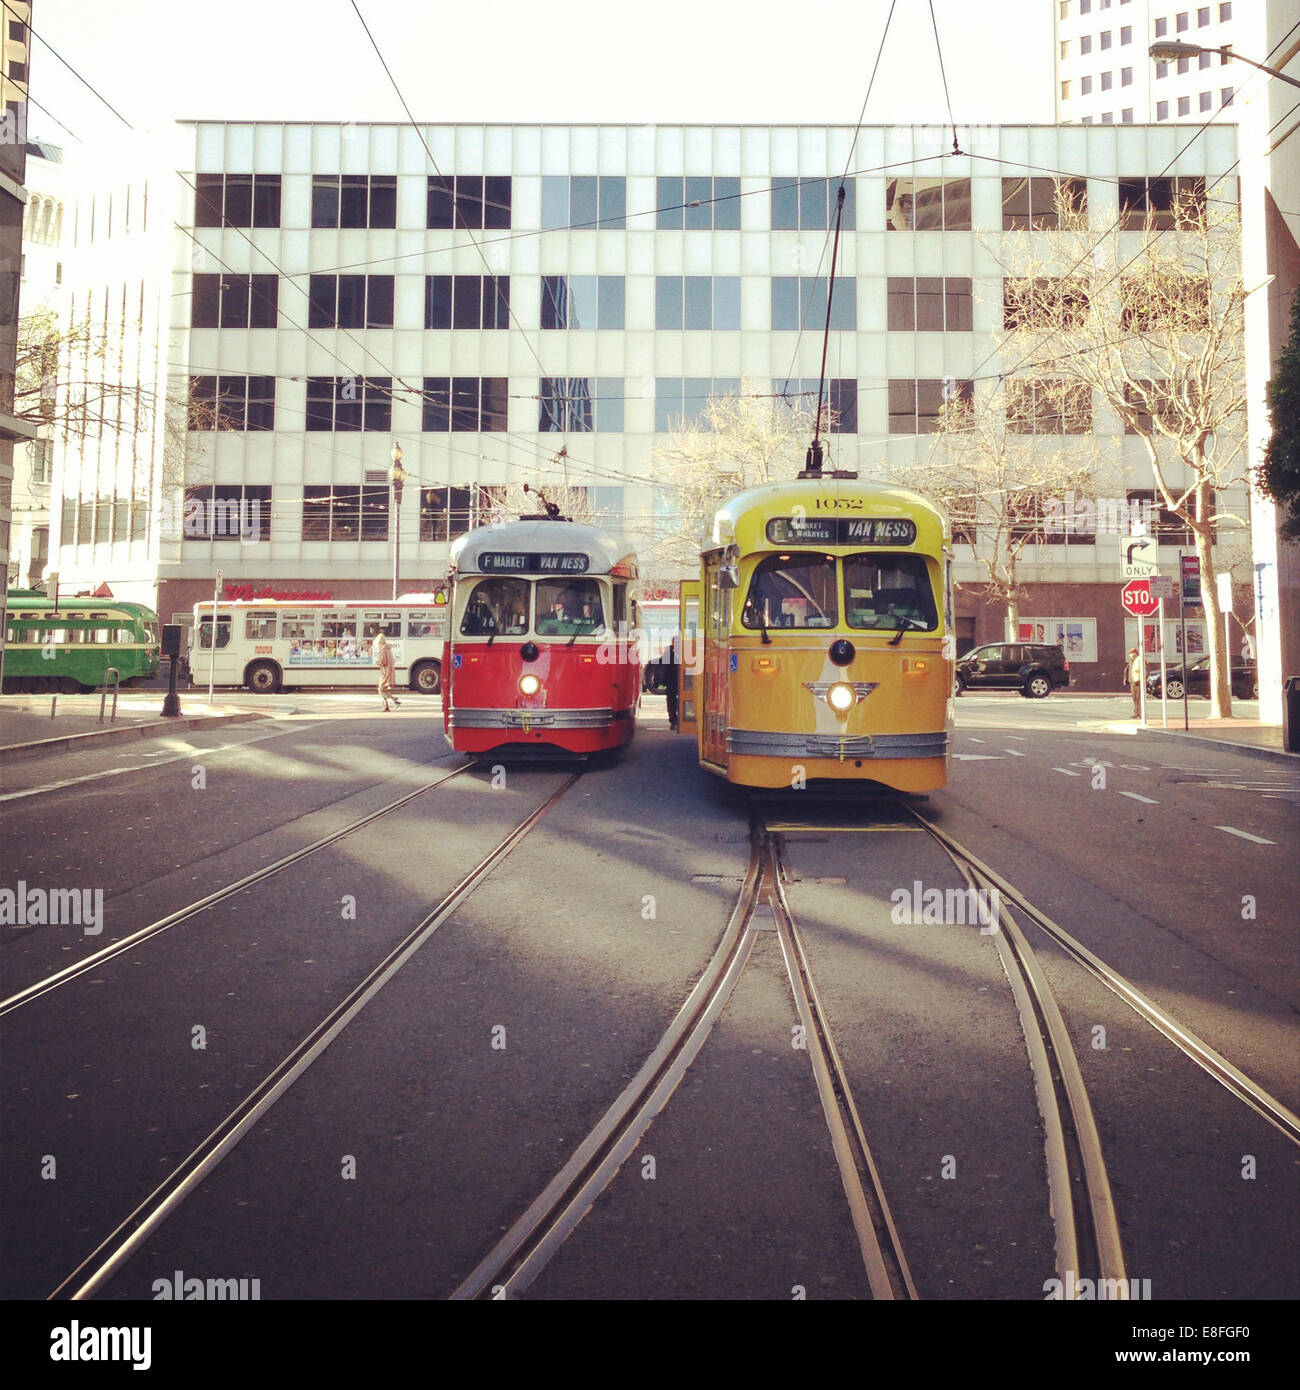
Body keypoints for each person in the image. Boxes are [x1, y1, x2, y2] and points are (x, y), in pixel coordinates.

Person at [373, 631, 400, 711]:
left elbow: (383, 662)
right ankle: (388, 705)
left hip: (385, 673)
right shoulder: (388, 649)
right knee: (383, 690)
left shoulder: (383, 650)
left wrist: (378, 662)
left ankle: (393, 702)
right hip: (389, 672)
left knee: (381, 690)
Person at [663, 634, 679, 731]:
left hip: (678, 681)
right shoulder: (669, 652)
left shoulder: (683, 651)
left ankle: (677, 720)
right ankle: (673, 720)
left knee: (674, 700)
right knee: (671, 701)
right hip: (671, 680)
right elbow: (664, 667)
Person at [1128, 645, 1142, 718]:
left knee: (1138, 698)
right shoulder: (1131, 661)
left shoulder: (1140, 660)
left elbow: (1147, 668)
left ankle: (1140, 713)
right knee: (1134, 698)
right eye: (1130, 654)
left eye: (1133, 653)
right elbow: (1129, 670)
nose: (1131, 655)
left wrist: (1145, 678)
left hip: (1138, 682)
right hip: (1132, 682)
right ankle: (1136, 712)